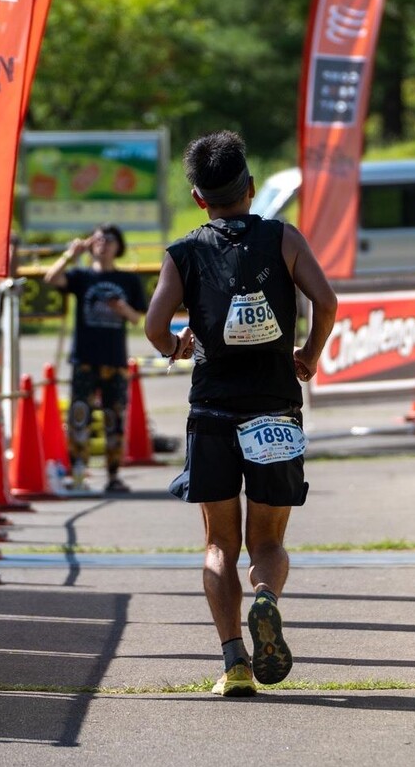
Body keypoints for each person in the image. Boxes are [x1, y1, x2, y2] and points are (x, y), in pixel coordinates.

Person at [144, 130, 338, 697]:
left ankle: (234, 663)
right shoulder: (283, 238)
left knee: (218, 546)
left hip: (212, 412)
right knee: (269, 544)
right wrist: (309, 354)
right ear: (251, 188)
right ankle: (267, 599)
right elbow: (325, 301)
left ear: (199, 197)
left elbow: (156, 326)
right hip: (276, 405)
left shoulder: (184, 252)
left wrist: (175, 346)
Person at [46, 224, 147, 493]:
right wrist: (71, 254)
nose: (103, 243)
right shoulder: (81, 276)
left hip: (114, 359)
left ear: (119, 246)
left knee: (114, 417)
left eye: (110, 239)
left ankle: (113, 475)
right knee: (79, 416)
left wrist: (121, 307)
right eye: (99, 238)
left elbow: (138, 318)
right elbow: (51, 279)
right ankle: (78, 471)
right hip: (84, 359)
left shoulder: (129, 281)